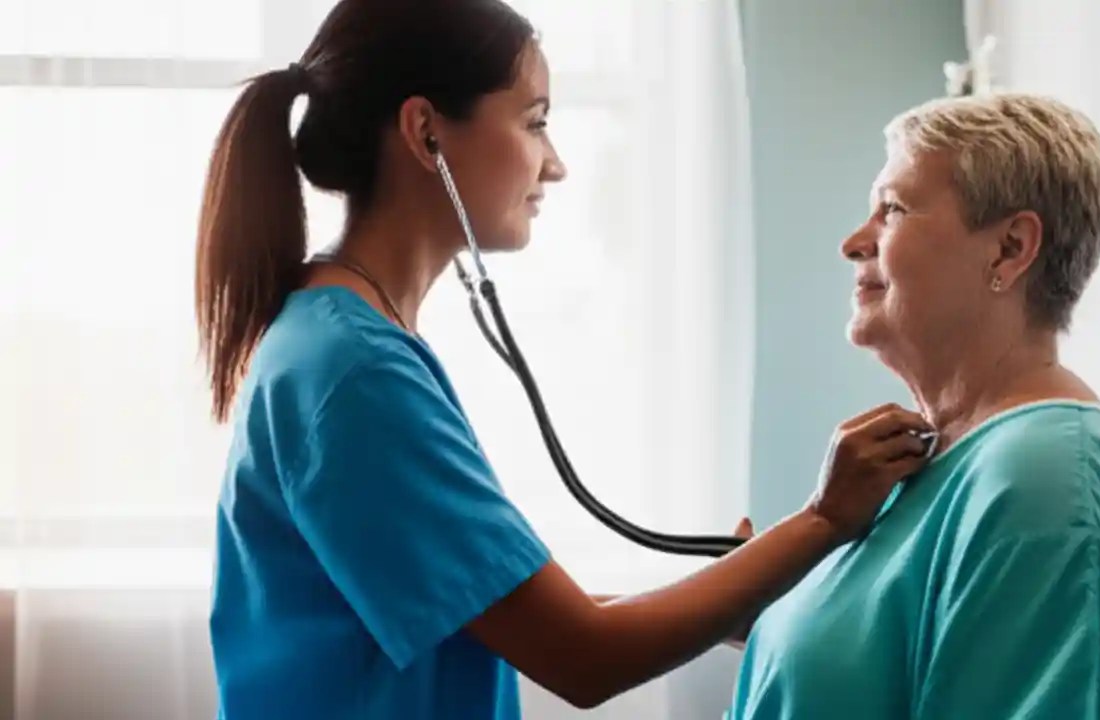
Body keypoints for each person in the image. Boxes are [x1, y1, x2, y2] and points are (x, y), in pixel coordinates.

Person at [194, 1, 934, 717]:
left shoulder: (334, 340)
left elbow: (500, 617)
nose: (555, 165)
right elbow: (582, 657)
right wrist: (823, 519)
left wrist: (728, 596)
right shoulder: (356, 375)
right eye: (535, 122)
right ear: (426, 133)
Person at [729, 92, 1100, 719]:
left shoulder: (1052, 487)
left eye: (892, 210)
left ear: (1009, 249)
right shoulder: (945, 468)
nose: (853, 243)